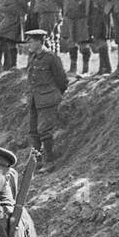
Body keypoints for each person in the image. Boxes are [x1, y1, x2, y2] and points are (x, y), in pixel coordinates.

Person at [24, 28, 69, 165]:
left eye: (31, 42)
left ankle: (49, 161)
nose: (29, 44)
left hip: (48, 100)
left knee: (45, 131)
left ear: (39, 42)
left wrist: (53, 96)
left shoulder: (51, 58)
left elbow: (62, 80)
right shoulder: (33, 58)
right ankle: (36, 162)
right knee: (33, 132)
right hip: (34, 99)